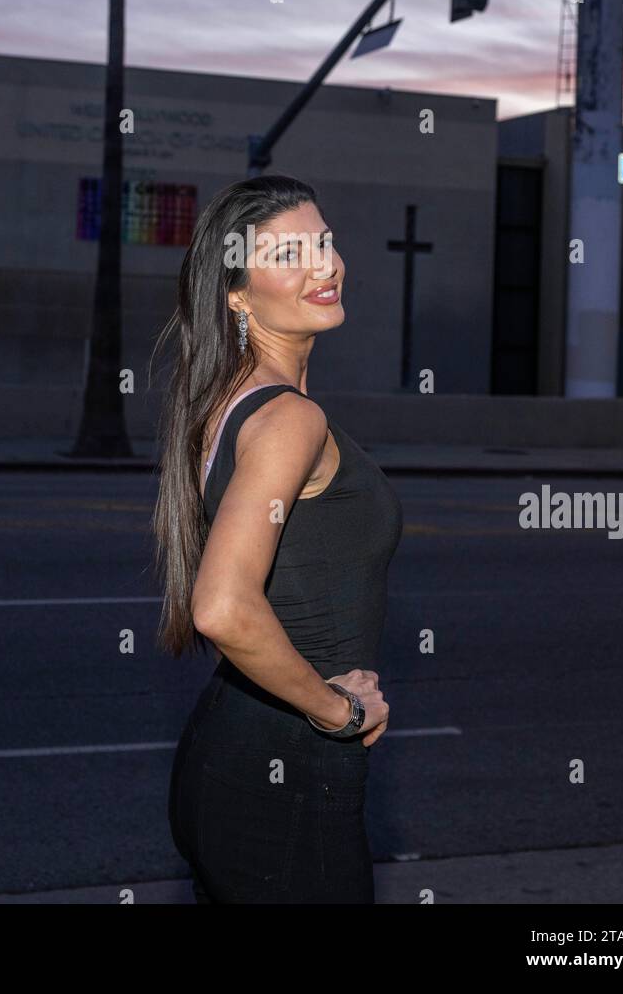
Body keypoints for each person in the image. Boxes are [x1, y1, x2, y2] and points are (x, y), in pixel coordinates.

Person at [151, 174, 403, 903]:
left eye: (323, 241)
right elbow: (222, 608)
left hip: (229, 756)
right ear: (237, 293)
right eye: (289, 252)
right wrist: (339, 713)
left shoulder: (222, 401)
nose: (324, 265)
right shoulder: (290, 419)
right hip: (288, 773)